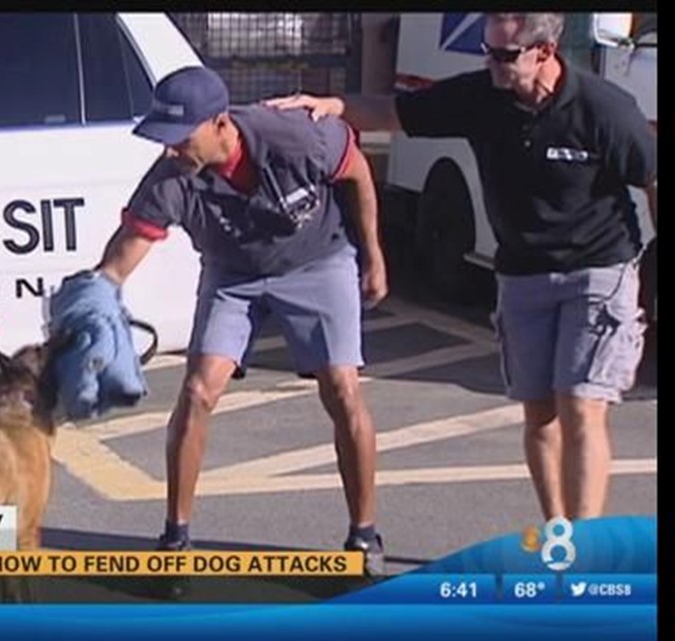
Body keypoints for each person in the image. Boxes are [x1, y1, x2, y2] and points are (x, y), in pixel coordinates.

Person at [265, 13, 657, 522]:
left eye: (505, 55)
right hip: (521, 272)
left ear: (546, 50)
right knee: (539, 414)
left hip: (599, 271)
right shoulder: (480, 97)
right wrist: (333, 106)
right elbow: (393, 112)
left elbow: (652, 177)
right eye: (487, 51)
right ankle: (557, 533)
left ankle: (585, 546)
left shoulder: (603, 109)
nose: (491, 63)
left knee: (581, 405)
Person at [91, 65, 389, 593]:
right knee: (199, 390)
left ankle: (364, 536)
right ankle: (175, 541)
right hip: (234, 274)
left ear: (221, 125)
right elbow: (128, 247)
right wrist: (97, 293)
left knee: (343, 388)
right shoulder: (173, 176)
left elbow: (359, 173)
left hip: (317, 262)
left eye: (179, 138)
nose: (169, 150)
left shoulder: (296, 134)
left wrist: (373, 256)